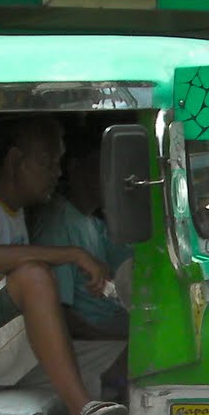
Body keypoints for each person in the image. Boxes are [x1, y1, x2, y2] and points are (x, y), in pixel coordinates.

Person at [0, 116, 127, 415]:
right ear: (15, 161)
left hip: (10, 346)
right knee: (34, 276)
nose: (57, 172)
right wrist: (71, 254)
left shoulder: (18, 210)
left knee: (123, 348)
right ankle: (80, 410)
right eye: (47, 161)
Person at [30, 124, 133, 340]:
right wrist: (113, 340)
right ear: (76, 168)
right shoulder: (56, 225)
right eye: (106, 169)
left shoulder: (93, 224)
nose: (116, 179)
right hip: (88, 340)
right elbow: (60, 317)